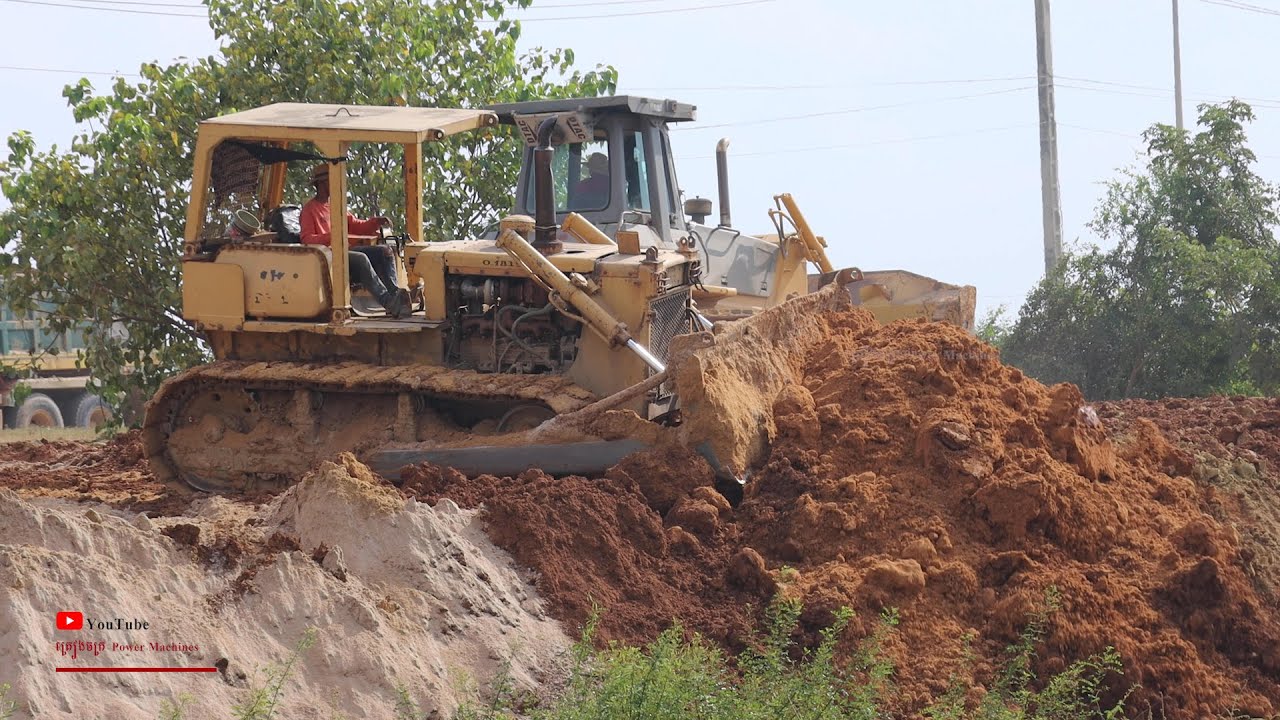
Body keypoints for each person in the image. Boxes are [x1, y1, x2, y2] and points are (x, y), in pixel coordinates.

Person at [300, 164, 411, 318]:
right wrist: (332, 236)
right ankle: (387, 301)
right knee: (361, 259)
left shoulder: (335, 206)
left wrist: (375, 222)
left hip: (344, 251)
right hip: (329, 255)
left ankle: (395, 296)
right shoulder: (309, 210)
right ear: (321, 183)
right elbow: (307, 239)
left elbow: (356, 225)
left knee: (385, 251)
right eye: (332, 180)